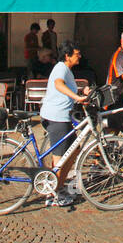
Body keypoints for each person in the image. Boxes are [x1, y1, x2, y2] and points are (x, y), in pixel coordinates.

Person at [39, 41, 90, 207]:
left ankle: (59, 186)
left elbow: (67, 88)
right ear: (67, 56)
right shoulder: (61, 68)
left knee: (74, 150)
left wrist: (81, 92)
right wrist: (77, 98)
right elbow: (58, 84)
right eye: (77, 54)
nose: (80, 56)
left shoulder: (67, 70)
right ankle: (53, 194)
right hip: (56, 117)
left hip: (64, 117)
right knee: (60, 159)